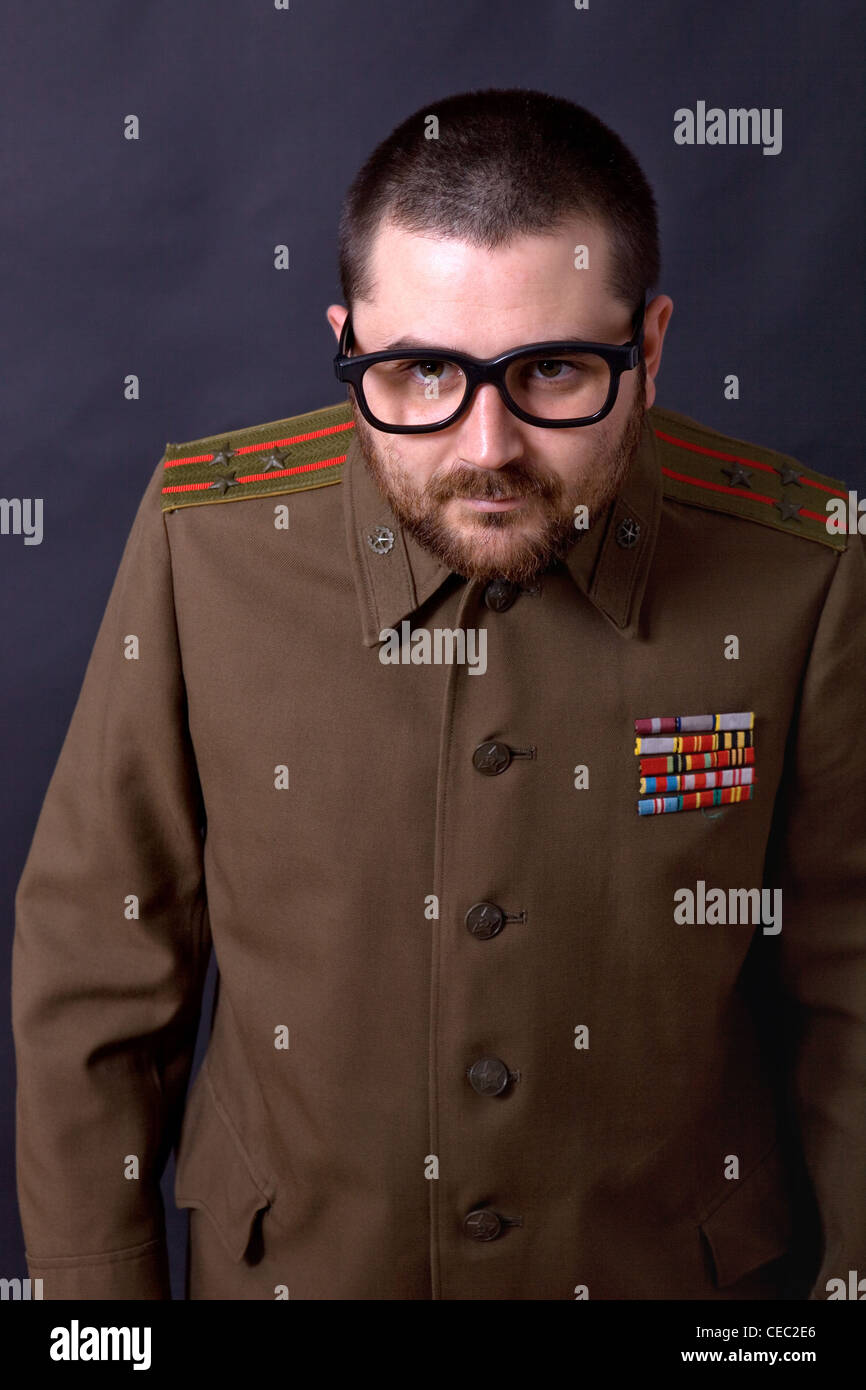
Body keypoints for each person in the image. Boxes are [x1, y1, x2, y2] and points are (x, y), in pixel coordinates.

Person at [13, 87, 865, 1301]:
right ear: (348, 337)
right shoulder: (207, 538)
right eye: (417, 372)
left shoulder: (808, 564)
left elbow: (851, 991)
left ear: (653, 346)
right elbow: (97, 962)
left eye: (554, 370)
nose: (484, 449)